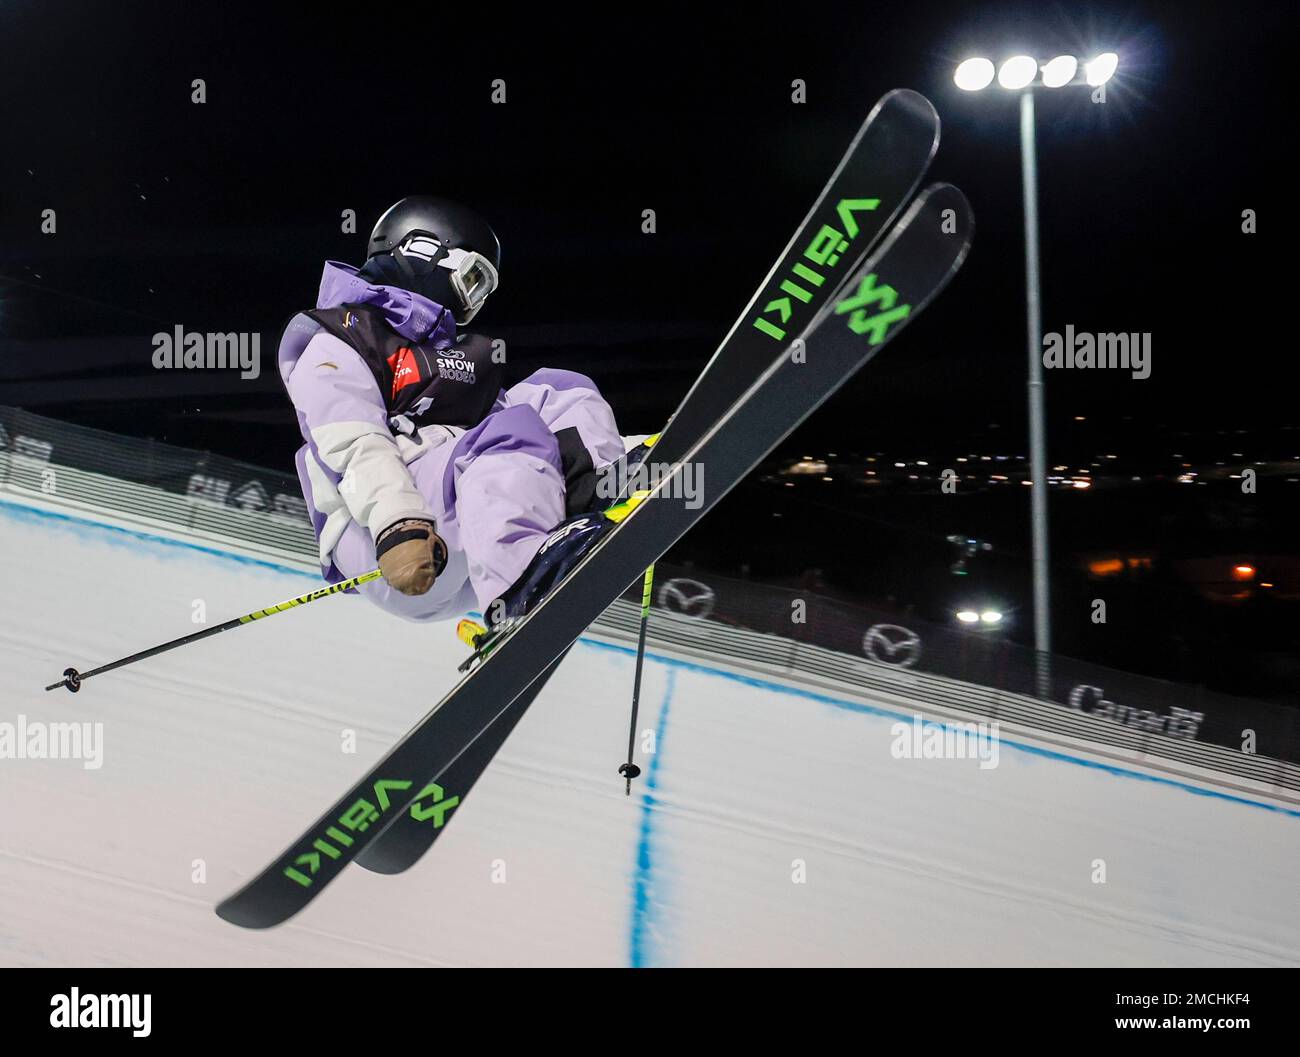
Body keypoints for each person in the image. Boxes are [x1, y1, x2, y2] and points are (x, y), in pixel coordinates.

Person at [276, 196, 643, 629]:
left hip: (473, 538)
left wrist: (647, 450)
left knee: (560, 389)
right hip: (385, 541)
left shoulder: (448, 356)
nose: (476, 300)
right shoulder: (342, 338)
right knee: (512, 430)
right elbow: (355, 444)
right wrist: (398, 524)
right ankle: (522, 583)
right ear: (421, 252)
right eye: (473, 279)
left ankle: (599, 490)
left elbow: (534, 440)